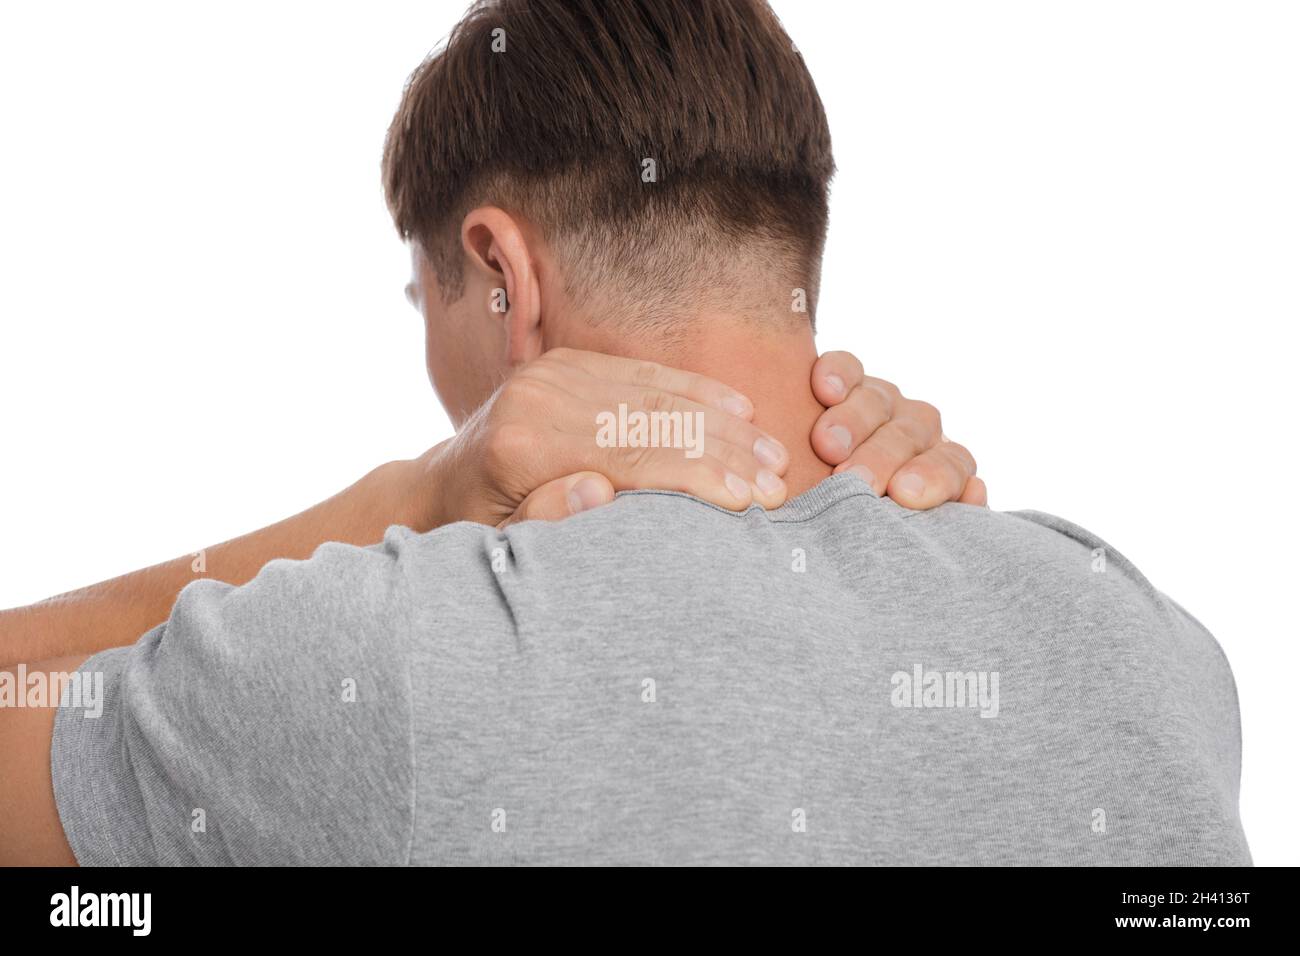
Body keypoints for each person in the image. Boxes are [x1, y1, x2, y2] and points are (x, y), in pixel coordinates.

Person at [0, 0, 1245, 865]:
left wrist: (417, 492)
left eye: (420, 298)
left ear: (500, 273)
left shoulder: (388, 654)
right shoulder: (1150, 645)